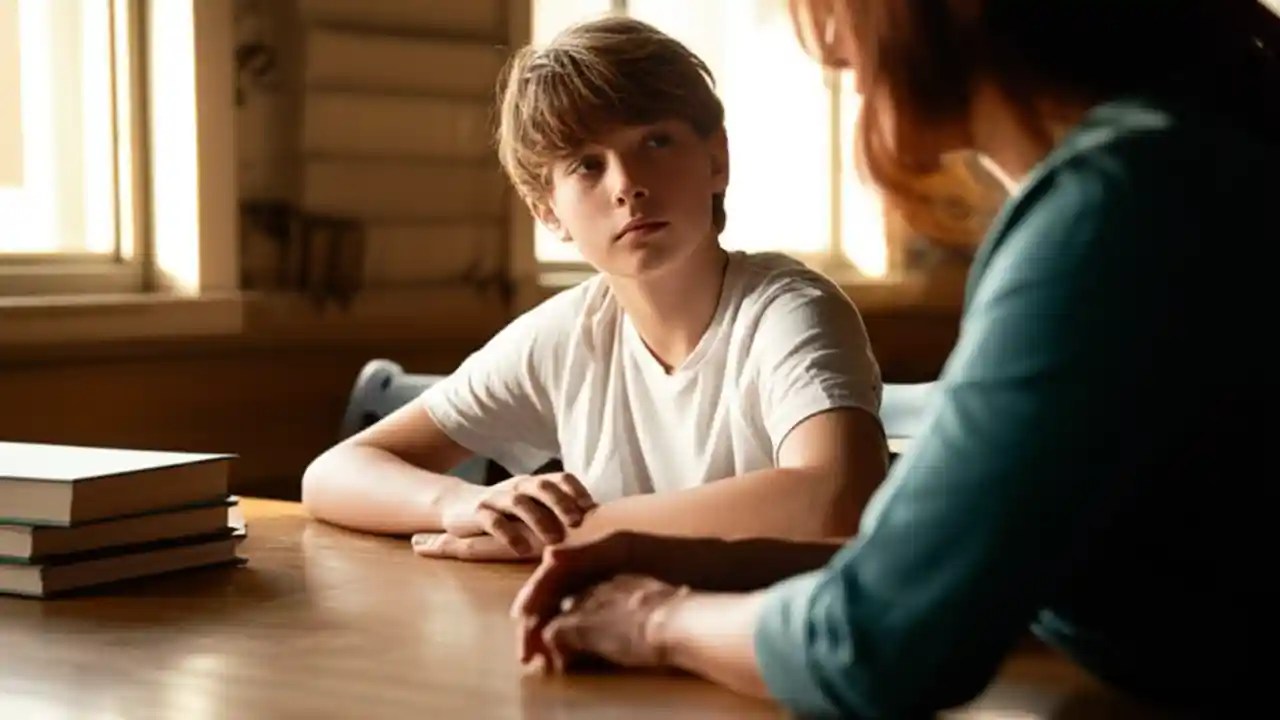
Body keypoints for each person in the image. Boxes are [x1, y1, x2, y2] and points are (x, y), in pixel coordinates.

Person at [510, 0, 1280, 715]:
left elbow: (876, 642)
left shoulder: (1117, 211)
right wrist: (668, 555)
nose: (832, 47)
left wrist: (657, 620)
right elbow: (947, 565)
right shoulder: (1176, 162)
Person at [300, 16, 889, 563]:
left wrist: (574, 533)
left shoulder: (788, 311)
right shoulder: (566, 334)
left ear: (716, 160)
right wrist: (460, 505)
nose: (627, 185)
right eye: (586, 165)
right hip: (606, 642)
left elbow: (835, 500)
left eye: (655, 142)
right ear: (547, 211)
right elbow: (333, 473)